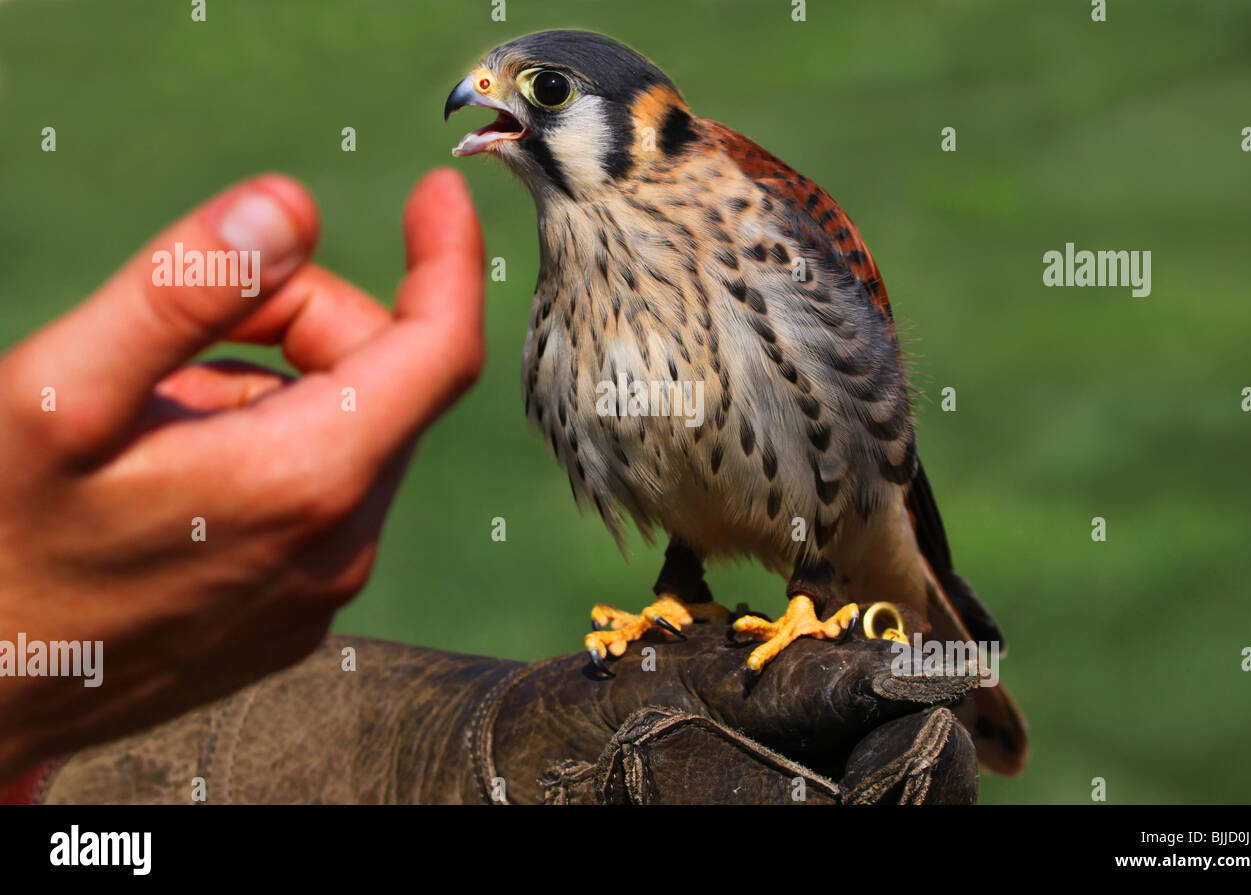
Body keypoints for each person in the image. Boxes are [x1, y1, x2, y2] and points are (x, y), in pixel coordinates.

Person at [0, 171, 979, 804]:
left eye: (544, 93)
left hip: (854, 519)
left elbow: (860, 406)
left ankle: (826, 604)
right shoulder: (576, 253)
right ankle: (685, 587)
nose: (483, 101)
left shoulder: (753, 212)